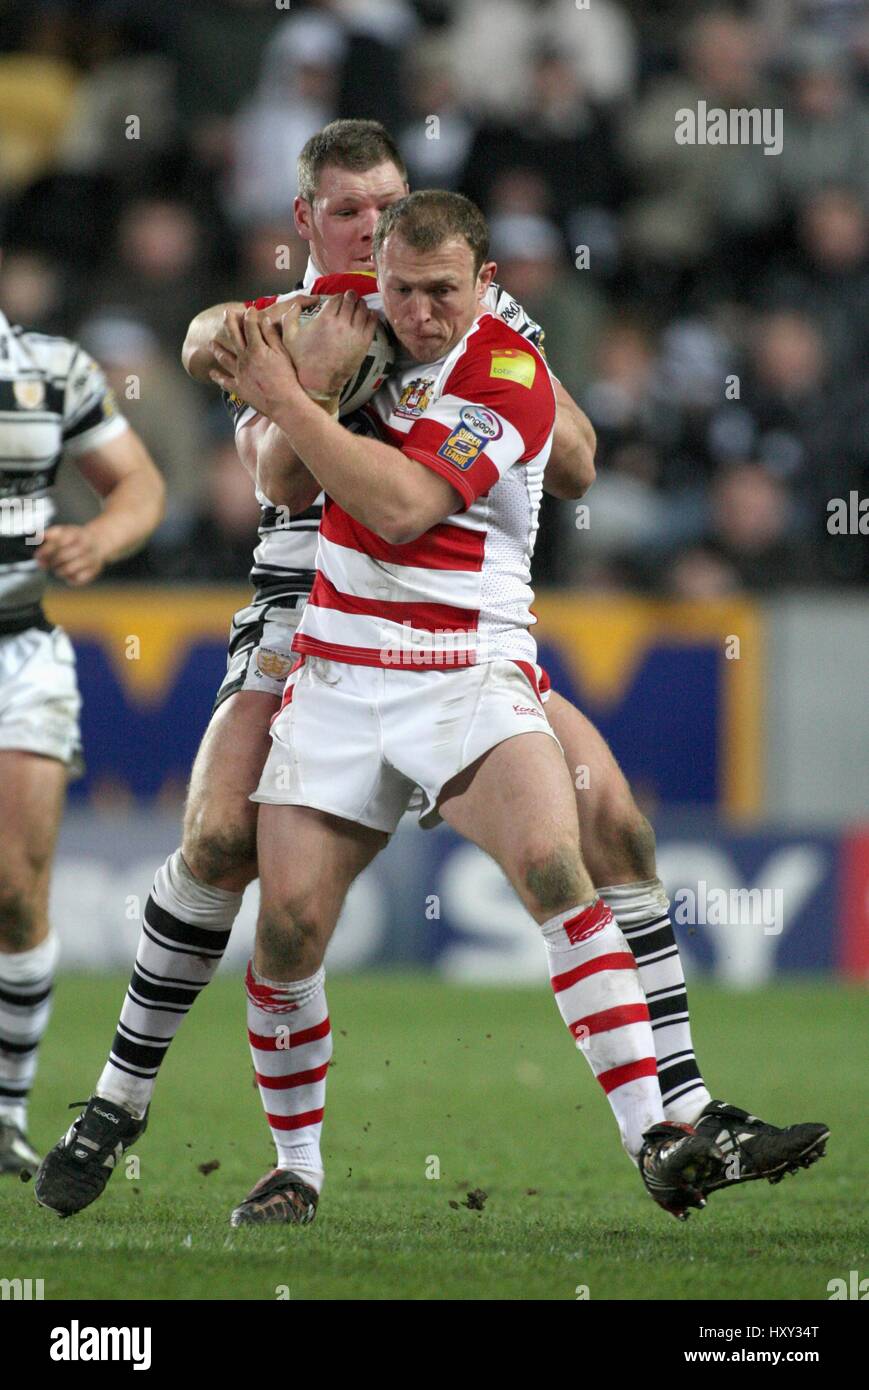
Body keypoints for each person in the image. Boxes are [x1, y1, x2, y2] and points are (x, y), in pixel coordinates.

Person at [33, 125, 827, 1221]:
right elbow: (239, 404)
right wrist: (268, 360)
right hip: (304, 612)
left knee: (608, 834)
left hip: (458, 634)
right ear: (305, 222)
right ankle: (126, 1105)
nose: (372, 230)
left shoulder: (475, 321)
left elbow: (574, 456)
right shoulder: (304, 321)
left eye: (390, 205)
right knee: (224, 843)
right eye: (352, 212)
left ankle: (679, 1114)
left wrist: (512, 385)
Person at [0, 279, 165, 1175]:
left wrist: (99, 541)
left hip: (19, 653)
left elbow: (138, 485)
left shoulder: (50, 369)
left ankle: (4, 1114)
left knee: (16, 889)